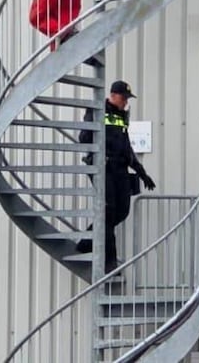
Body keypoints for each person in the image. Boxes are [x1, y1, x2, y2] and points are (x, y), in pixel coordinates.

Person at [76, 80, 156, 272]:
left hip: (119, 167)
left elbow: (126, 147)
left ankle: (86, 242)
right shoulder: (97, 111)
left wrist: (141, 172)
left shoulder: (121, 116)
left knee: (122, 210)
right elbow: (84, 138)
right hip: (103, 166)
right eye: (124, 98)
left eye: (128, 99)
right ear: (113, 95)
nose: (126, 102)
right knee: (109, 210)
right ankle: (109, 261)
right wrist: (98, 151)